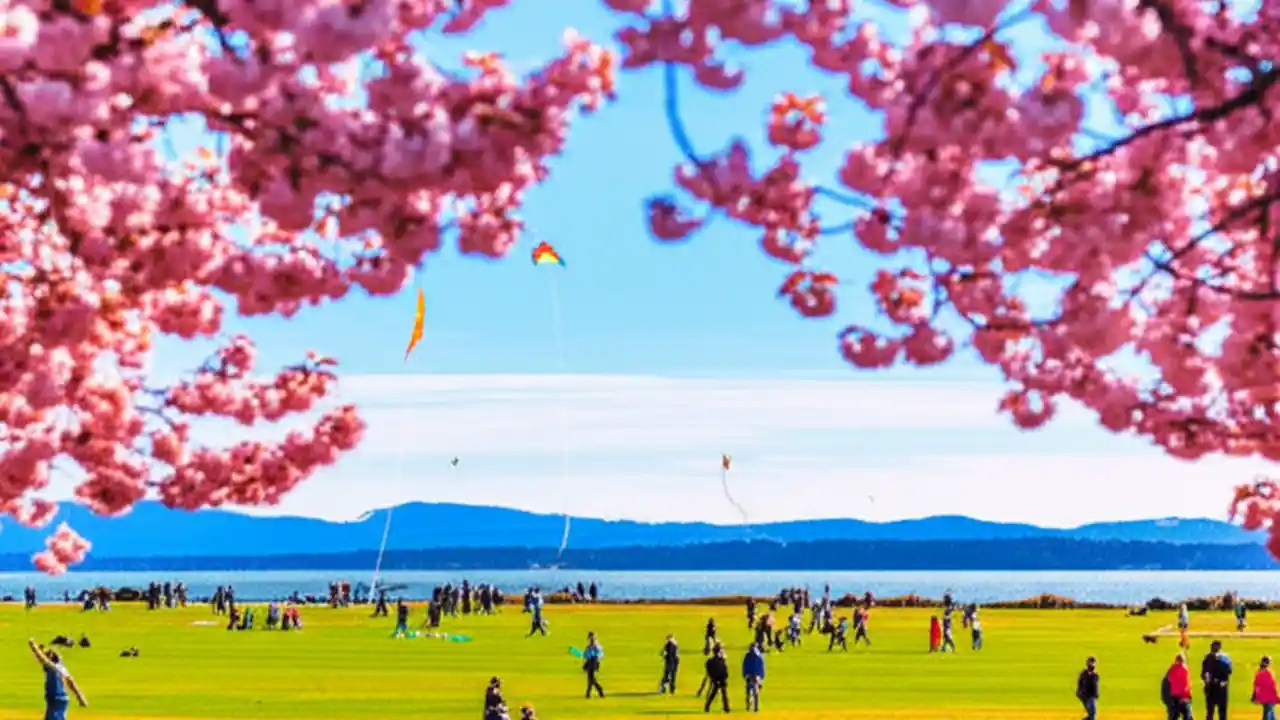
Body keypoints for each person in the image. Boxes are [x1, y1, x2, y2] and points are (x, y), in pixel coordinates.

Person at [28, 638, 88, 720]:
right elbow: (71, 682)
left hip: (55, 700)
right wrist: (81, 698)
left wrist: (33, 646)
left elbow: (42, 658)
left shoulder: (52, 667)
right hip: (62, 700)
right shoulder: (61, 668)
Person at [1201, 640, 1232, 720]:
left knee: (1211, 712)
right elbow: (1229, 671)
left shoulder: (1208, 658)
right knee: (1220, 712)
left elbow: (1204, 673)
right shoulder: (1225, 658)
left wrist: (1207, 682)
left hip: (1213, 687)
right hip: (1220, 687)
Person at [1165, 654, 1193, 720]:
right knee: (1187, 716)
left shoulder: (1172, 669)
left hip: (1175, 695)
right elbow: (1187, 683)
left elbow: (1170, 679)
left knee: (1174, 716)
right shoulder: (1185, 669)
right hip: (1184, 696)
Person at [704, 644, 730, 713]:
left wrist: (712, 677)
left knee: (713, 693)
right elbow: (724, 669)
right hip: (721, 678)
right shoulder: (721, 660)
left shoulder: (710, 661)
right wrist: (725, 676)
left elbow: (709, 670)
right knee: (724, 694)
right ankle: (726, 708)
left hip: (715, 679)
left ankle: (707, 706)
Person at [742, 642, 765, 713]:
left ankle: (748, 705)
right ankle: (755, 707)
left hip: (749, 676)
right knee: (756, 692)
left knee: (748, 691)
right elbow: (761, 668)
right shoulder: (759, 655)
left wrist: (744, 675)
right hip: (756, 677)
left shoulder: (747, 655)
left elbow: (744, 666)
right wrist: (761, 678)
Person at [1254, 656, 1278, 720]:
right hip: (1269, 696)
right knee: (1268, 712)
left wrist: (1255, 695)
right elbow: (1272, 685)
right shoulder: (1268, 672)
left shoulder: (1259, 672)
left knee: (1271, 712)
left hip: (1263, 695)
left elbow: (1256, 684)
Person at [582, 632, 605, 699]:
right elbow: (587, 654)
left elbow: (599, 654)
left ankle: (598, 690)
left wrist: (589, 653)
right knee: (590, 679)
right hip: (590, 662)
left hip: (593, 662)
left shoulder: (595, 645)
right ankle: (589, 694)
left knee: (591, 679)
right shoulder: (590, 645)